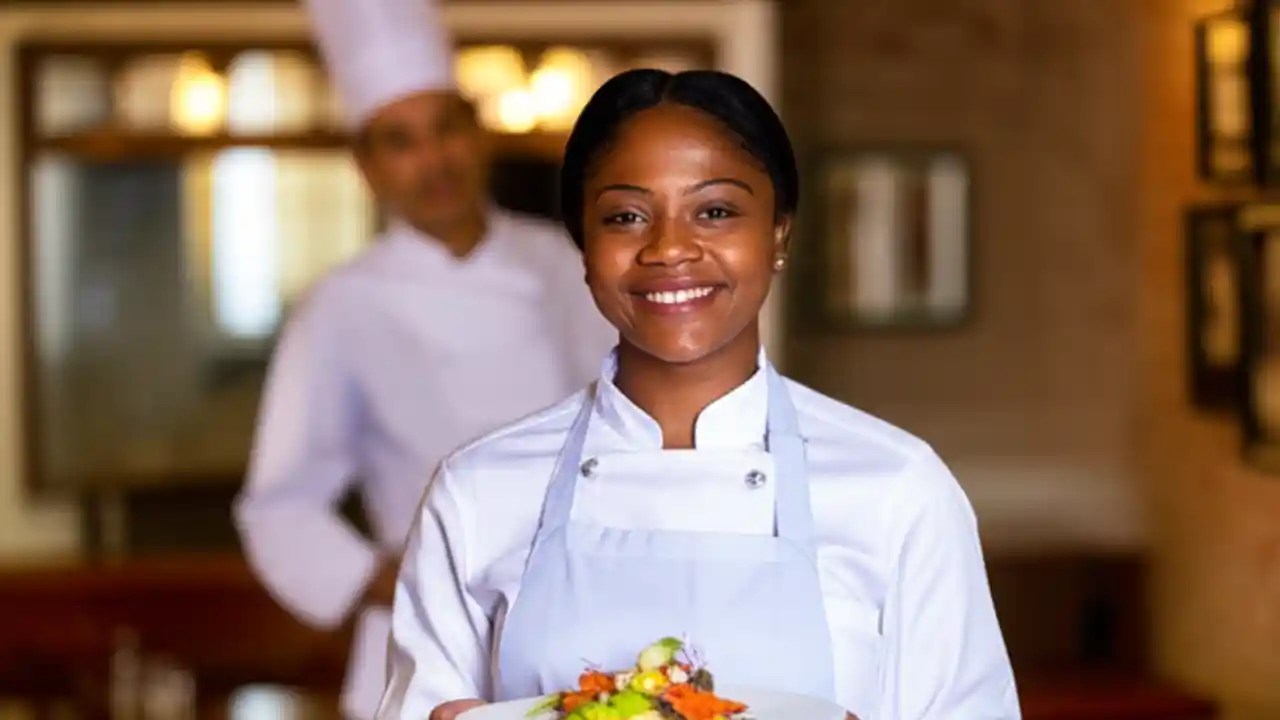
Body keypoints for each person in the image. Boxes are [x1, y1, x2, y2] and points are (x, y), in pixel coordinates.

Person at [377, 69, 1020, 720]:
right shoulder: (479, 490)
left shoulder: (897, 488)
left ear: (778, 233)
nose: (670, 248)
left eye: (715, 211)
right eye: (626, 216)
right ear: (584, 247)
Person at [232, 0, 614, 717]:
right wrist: (403, 579)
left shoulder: (566, 265)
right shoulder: (341, 307)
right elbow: (279, 507)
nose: (432, 161)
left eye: (445, 130)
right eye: (400, 141)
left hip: (579, 627)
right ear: (368, 166)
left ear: (477, 133)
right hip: (427, 643)